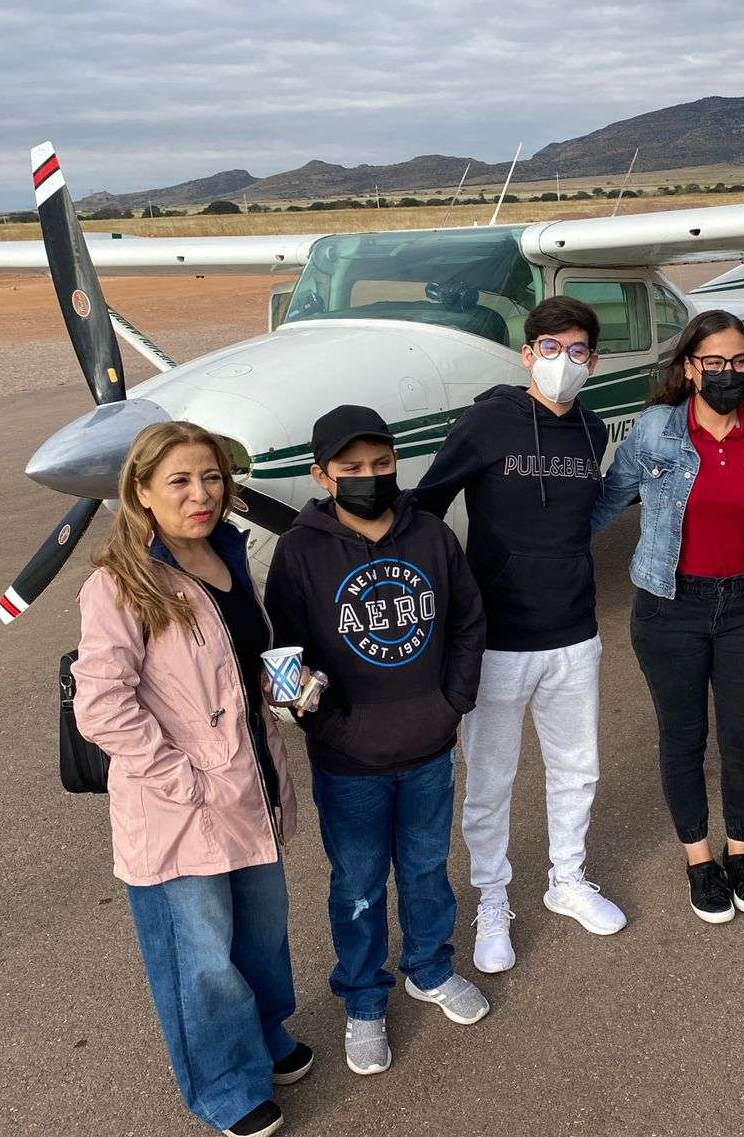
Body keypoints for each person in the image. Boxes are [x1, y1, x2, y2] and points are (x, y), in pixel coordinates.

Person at [74, 420, 306, 1137]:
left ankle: (263, 1038)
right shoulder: (121, 583)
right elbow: (101, 705)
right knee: (199, 958)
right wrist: (184, 780)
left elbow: (238, 667)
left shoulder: (230, 558)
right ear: (141, 493)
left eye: (210, 477)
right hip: (182, 807)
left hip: (251, 789)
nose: (200, 494)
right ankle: (224, 1087)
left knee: (260, 936)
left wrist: (290, 693)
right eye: (178, 480)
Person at [262, 405, 488, 1078]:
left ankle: (429, 967)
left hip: (428, 750)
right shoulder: (300, 551)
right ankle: (363, 1000)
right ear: (322, 475)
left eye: (381, 464)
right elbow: (283, 654)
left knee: (425, 870)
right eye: (352, 468)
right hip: (348, 762)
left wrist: (453, 703)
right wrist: (326, 725)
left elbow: (469, 620)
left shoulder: (431, 534)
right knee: (357, 885)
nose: (370, 477)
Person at [413, 296, 626, 974]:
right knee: (490, 781)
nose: (566, 362)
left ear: (594, 360)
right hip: (497, 639)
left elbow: (581, 520)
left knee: (576, 768)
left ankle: (566, 880)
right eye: (552, 348)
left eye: (580, 351)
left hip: (573, 633)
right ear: (528, 353)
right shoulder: (488, 419)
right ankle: (493, 900)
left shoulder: (593, 432)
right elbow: (427, 506)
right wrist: (447, 598)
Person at [593, 310, 744, 923]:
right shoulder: (656, 431)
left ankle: (741, 853)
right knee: (683, 738)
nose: (727, 373)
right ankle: (699, 860)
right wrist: (544, 552)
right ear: (690, 368)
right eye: (714, 362)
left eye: (739, 361)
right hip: (669, 607)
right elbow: (609, 498)